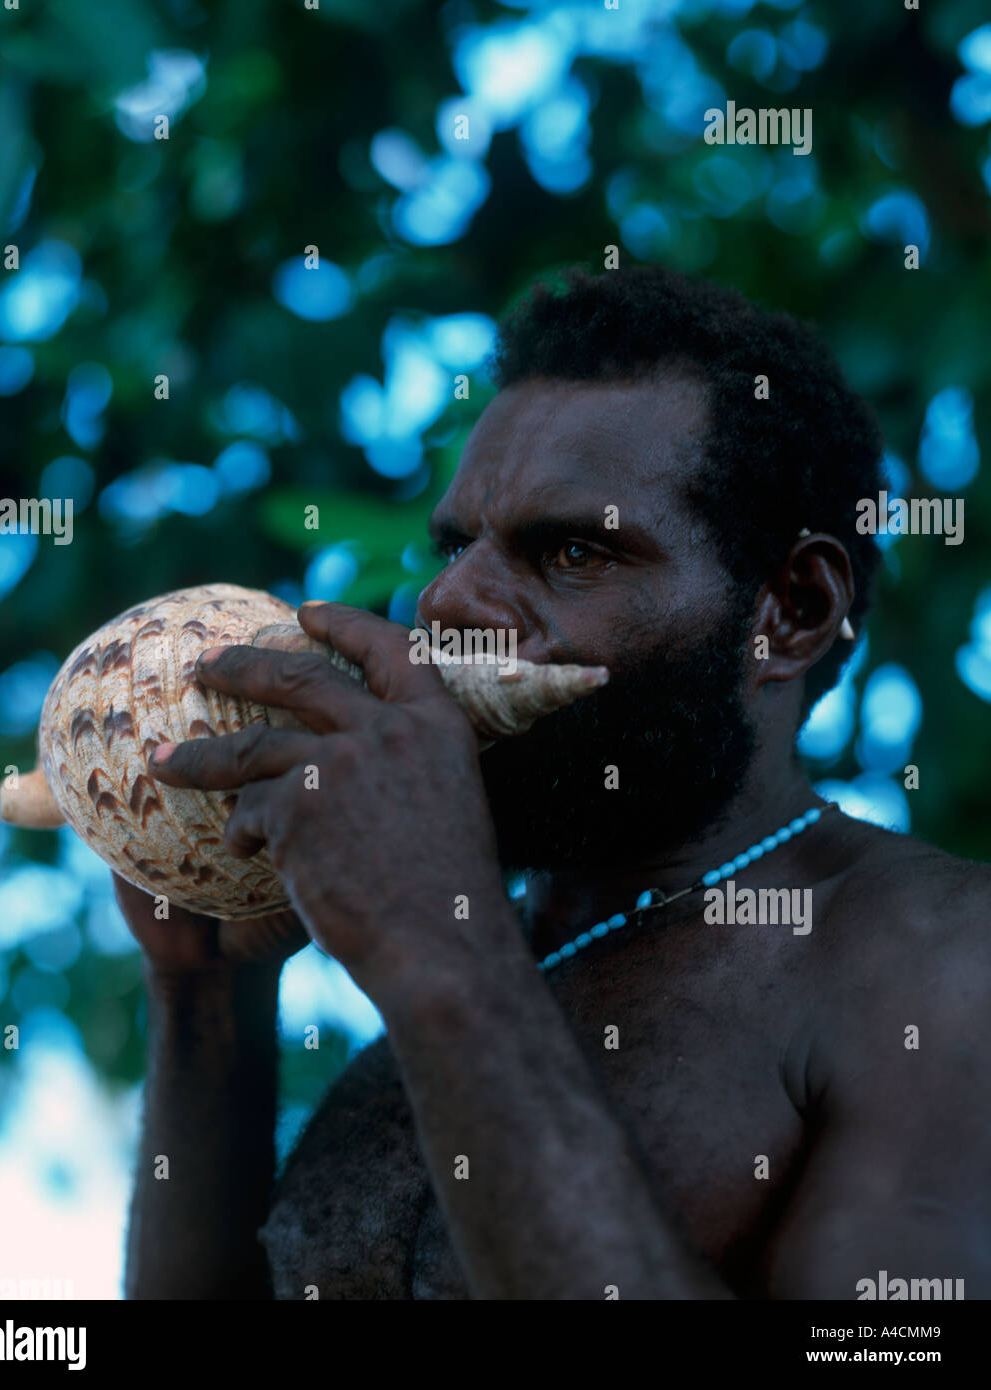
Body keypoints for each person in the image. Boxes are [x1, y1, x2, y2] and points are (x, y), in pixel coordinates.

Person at [115, 265, 991, 1300]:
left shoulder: (941, 955)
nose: (448, 600)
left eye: (571, 551)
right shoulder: (496, 957)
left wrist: (440, 953)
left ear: (790, 610)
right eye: (454, 549)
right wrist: (207, 995)